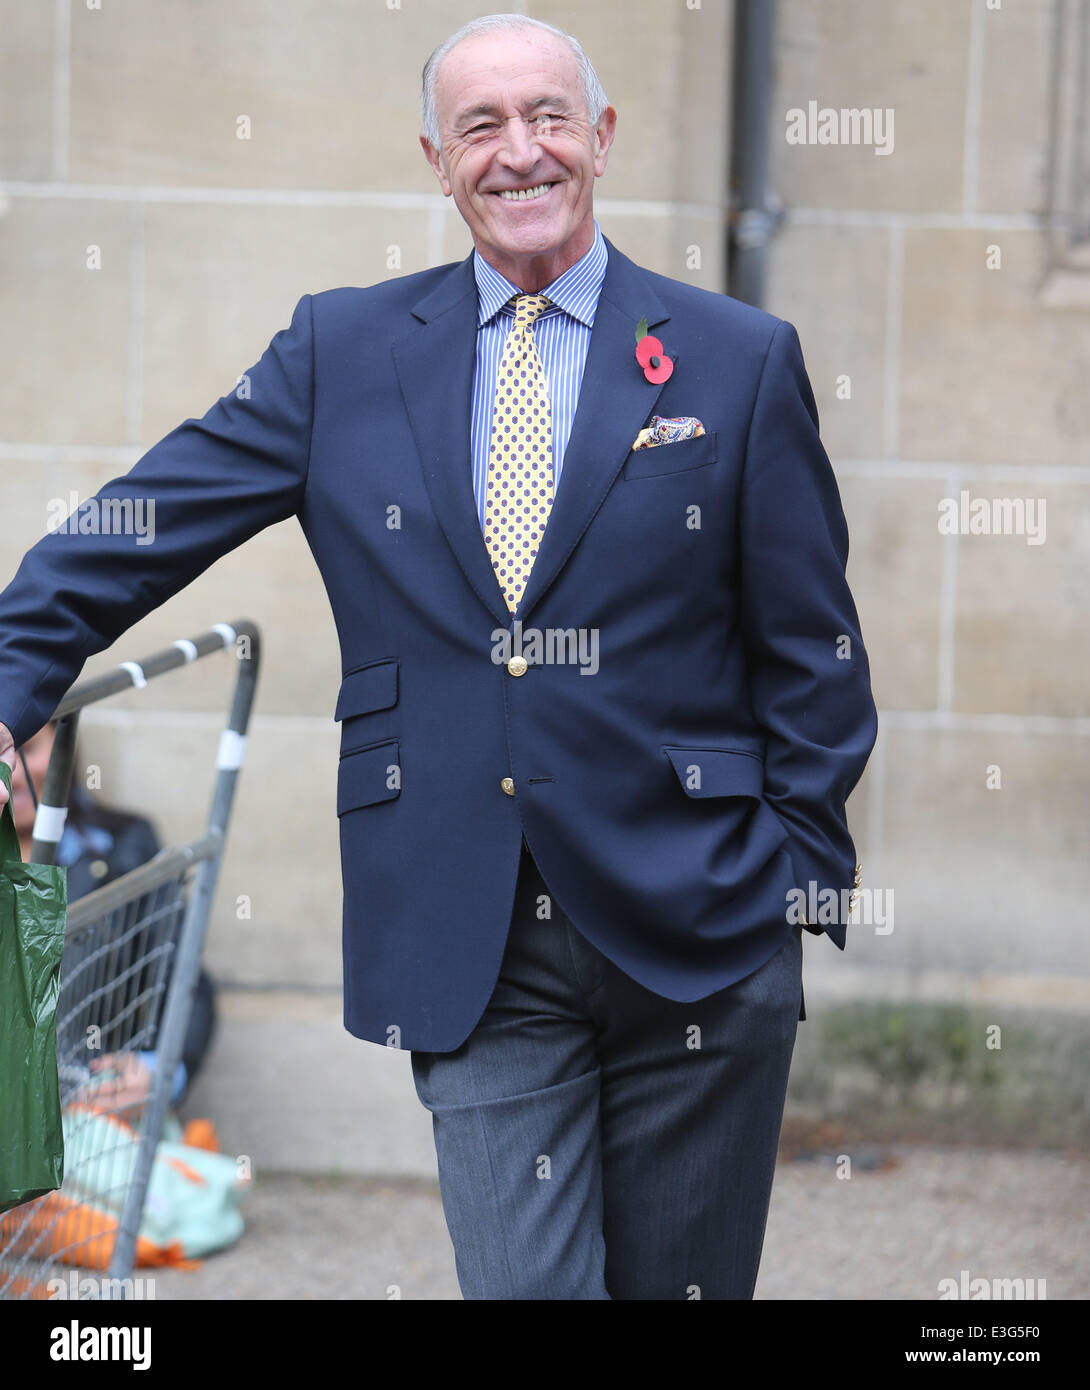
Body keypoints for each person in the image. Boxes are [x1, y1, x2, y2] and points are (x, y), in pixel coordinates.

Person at [0, 13, 877, 1298]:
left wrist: (789, 888)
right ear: (436, 155)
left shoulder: (734, 361)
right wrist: (12, 669)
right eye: (480, 126)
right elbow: (144, 522)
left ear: (603, 138)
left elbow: (814, 651)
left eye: (547, 118)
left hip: (702, 923)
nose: (517, 153)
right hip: (472, 932)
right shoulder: (339, 354)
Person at [10, 721, 216, 1108]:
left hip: (79, 1111)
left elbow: (182, 976)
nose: (12, 774)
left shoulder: (123, 848)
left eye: (27, 749)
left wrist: (159, 1073)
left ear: (65, 744)